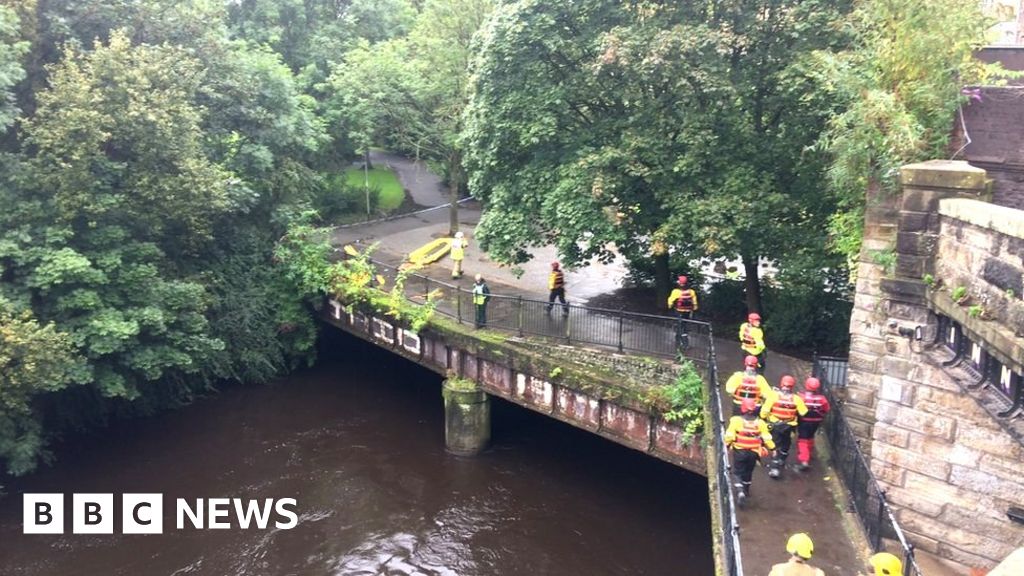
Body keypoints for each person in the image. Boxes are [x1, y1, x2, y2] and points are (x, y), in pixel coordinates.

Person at [724, 397, 775, 507]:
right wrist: (773, 449)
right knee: (748, 471)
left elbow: (729, 436)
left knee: (738, 471)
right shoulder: (761, 423)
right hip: (754, 452)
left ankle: (740, 491)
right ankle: (746, 490)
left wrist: (726, 446)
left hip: (740, 450)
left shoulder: (736, 421)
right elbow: (767, 438)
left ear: (742, 408)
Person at [761, 375, 808, 479]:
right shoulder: (797, 399)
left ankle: (775, 468)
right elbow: (803, 412)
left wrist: (766, 417)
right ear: (792, 386)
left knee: (775, 445)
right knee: (786, 444)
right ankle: (782, 459)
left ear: (781, 384)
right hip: (789, 426)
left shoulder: (773, 396)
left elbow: (764, 412)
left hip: (775, 425)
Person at [796, 377, 831, 471]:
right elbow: (826, 409)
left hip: (804, 421)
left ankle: (804, 460)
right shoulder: (822, 398)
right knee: (810, 437)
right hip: (816, 421)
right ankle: (809, 453)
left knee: (802, 440)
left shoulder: (801, 397)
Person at [667, 275, 699, 346]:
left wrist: (670, 306)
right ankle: (684, 342)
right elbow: (695, 303)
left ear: (680, 283)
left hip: (679, 311)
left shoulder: (676, 292)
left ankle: (680, 342)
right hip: (688, 312)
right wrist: (695, 308)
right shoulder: (691, 292)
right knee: (684, 325)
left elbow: (670, 301)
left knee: (679, 325)